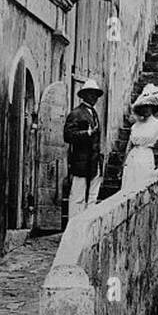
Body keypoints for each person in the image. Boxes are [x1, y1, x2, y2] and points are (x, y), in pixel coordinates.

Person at [63, 77, 104, 221]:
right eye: (91, 94)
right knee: (77, 197)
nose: (94, 98)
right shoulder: (76, 113)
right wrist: (86, 133)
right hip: (81, 162)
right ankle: (73, 228)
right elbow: (68, 135)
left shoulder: (94, 113)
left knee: (93, 197)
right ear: (84, 95)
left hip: (94, 161)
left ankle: (87, 227)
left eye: (96, 95)